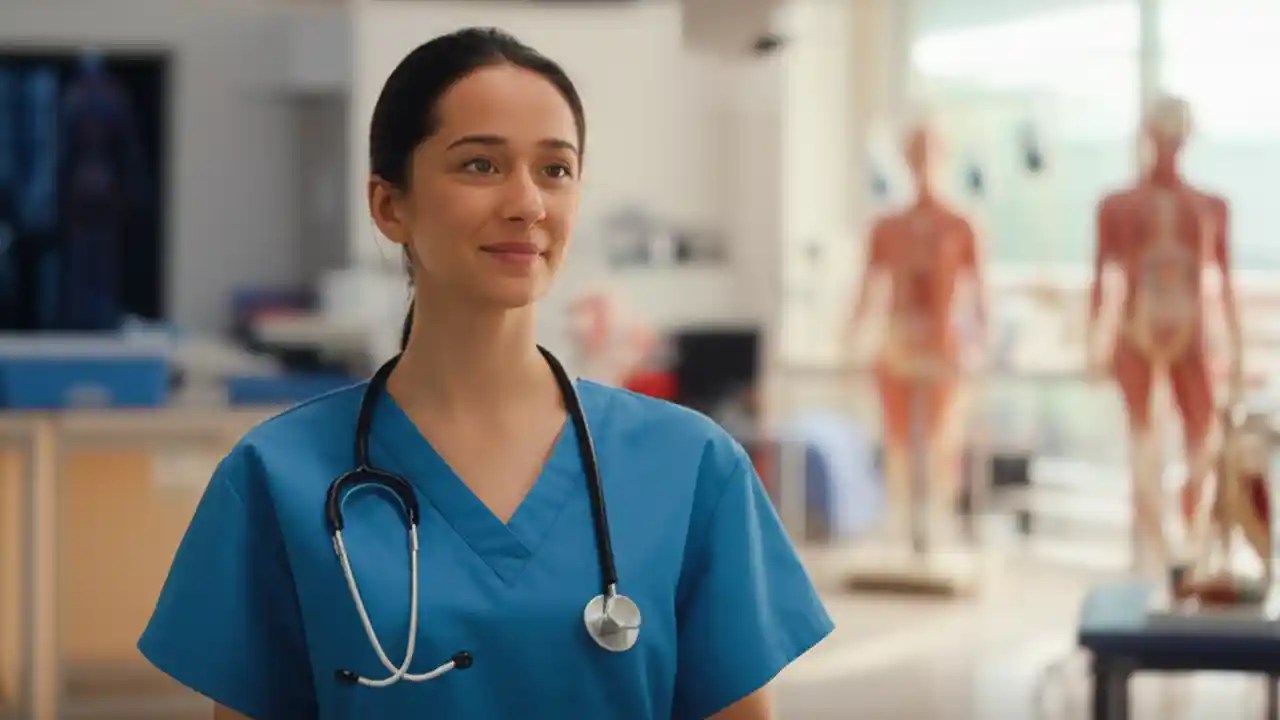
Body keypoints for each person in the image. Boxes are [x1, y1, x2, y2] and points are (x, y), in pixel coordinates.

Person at [138, 27, 833, 720]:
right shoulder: (275, 479)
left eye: (555, 170)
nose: (527, 202)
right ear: (389, 205)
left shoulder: (691, 470)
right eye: (480, 166)